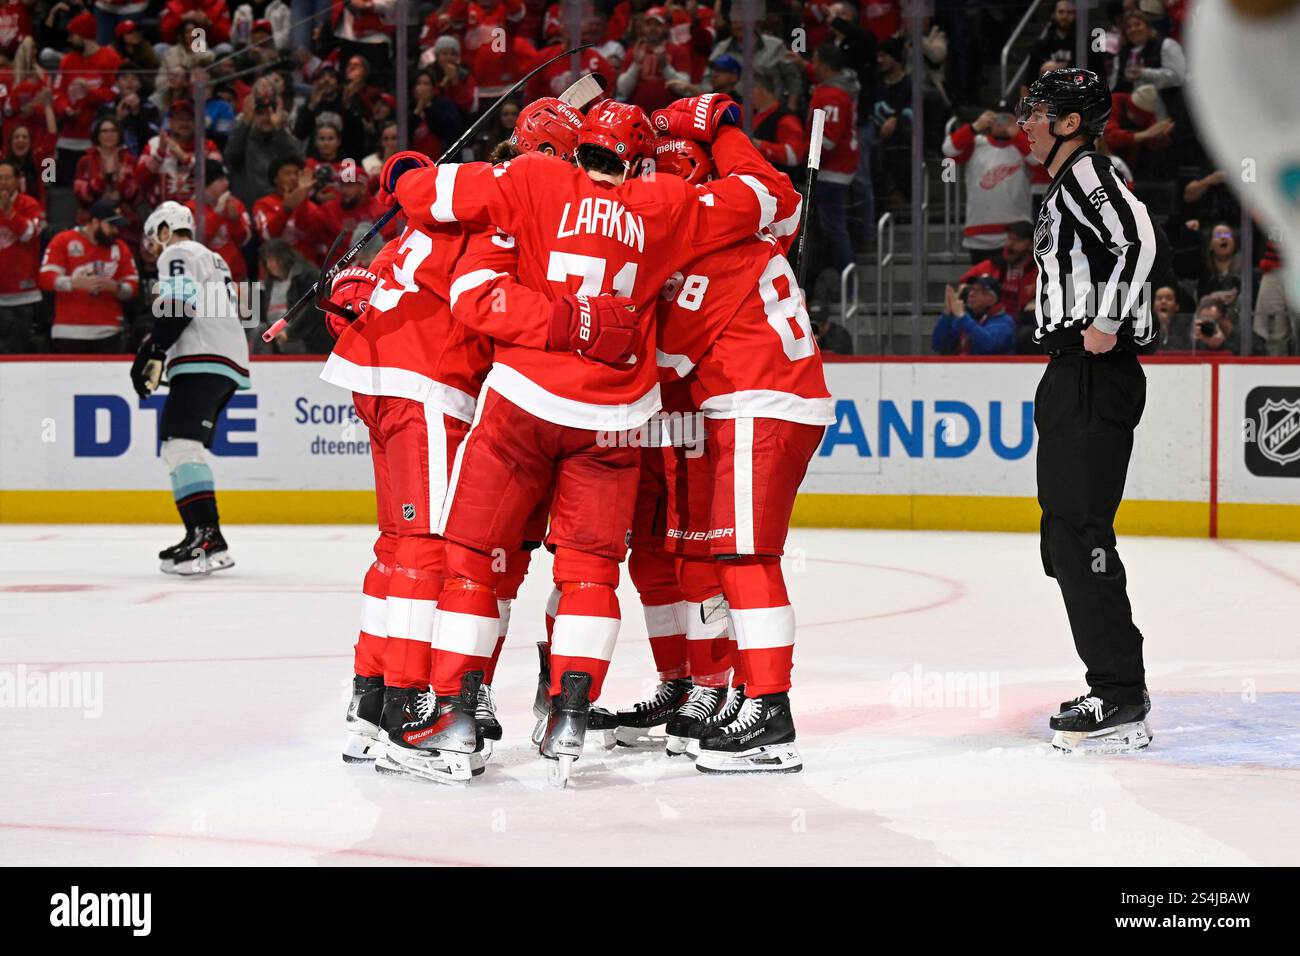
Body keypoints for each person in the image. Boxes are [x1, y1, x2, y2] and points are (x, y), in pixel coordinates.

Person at [379, 95, 797, 786]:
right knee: (592, 570)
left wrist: (400, 172)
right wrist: (719, 128)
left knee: (470, 560)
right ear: (635, 160)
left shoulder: (532, 180)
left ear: (574, 149)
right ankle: (570, 715)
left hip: (523, 402)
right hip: (614, 415)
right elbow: (769, 198)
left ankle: (454, 717)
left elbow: (433, 196)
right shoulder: (668, 203)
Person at [322, 97, 631, 777]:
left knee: (400, 546)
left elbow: (412, 200)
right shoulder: (518, 203)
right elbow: (483, 301)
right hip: (432, 381)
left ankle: (370, 701)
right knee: (431, 552)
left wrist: (402, 172)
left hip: (379, 367)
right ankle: (408, 706)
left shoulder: (469, 187)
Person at [1018, 68, 1158, 753]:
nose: (1028, 122)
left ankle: (1119, 692)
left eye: (1038, 112)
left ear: (1071, 122)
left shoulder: (1086, 176)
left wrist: (1105, 321)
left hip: (1093, 372)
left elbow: (1140, 240)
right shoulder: (1066, 182)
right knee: (1065, 536)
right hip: (1071, 371)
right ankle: (1114, 682)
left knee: (1080, 531)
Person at [130, 201, 250, 575]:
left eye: (155, 238)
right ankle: (198, 533)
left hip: (204, 357)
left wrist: (152, 350)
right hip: (220, 357)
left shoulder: (178, 252)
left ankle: (208, 538)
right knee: (178, 445)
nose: (154, 247)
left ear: (166, 229)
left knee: (181, 445)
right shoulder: (212, 257)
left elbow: (179, 307)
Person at [38, 199, 139, 353]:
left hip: (108, 331)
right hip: (68, 331)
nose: (115, 231)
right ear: (95, 222)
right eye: (111, 225)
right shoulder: (64, 240)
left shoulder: (119, 247)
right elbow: (45, 278)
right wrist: (73, 283)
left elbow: (133, 285)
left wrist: (116, 287)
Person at [943, 105, 1035, 262]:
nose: (1002, 123)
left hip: (1016, 236)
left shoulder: (1025, 144)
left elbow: (1038, 160)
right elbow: (948, 150)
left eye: (1007, 118)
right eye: (996, 118)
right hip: (979, 234)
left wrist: (1017, 134)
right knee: (981, 286)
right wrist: (975, 127)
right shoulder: (976, 143)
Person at [0, 159, 46, 353]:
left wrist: (8, 213)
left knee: (16, 353)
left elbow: (28, 234)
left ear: (18, 180)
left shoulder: (29, 204)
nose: (3, 182)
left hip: (23, 296)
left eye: (8, 178)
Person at [931, 277, 1016, 356]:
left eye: (977, 291)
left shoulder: (1004, 322)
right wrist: (947, 314)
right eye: (970, 289)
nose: (971, 294)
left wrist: (963, 318)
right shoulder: (965, 318)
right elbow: (938, 345)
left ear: (991, 298)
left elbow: (988, 346)